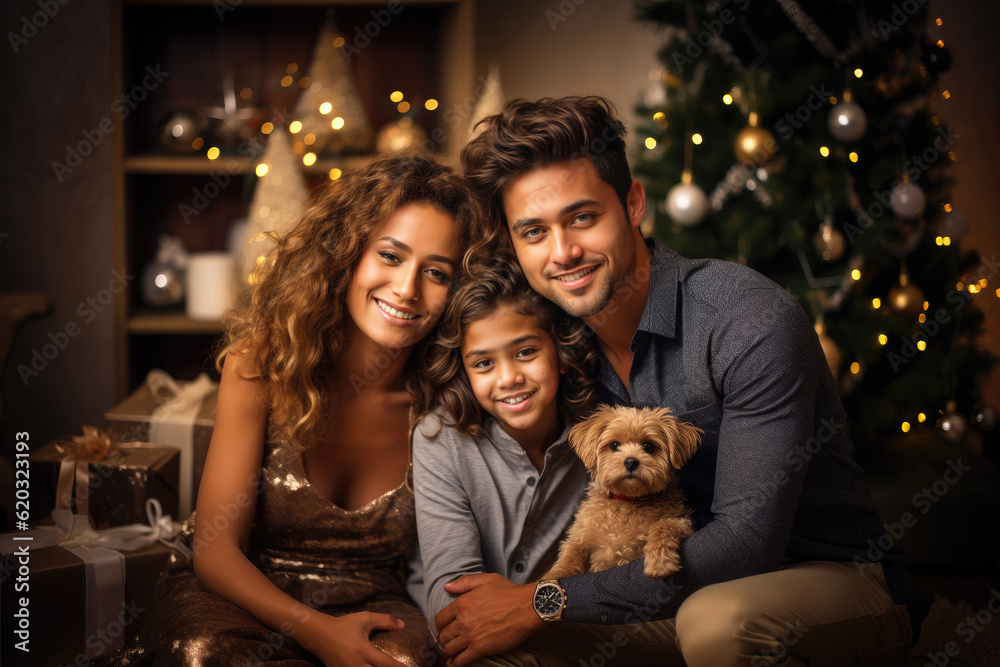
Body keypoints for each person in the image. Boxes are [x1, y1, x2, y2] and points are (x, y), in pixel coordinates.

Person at [429, 96, 933, 667]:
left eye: (582, 217)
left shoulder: (748, 318)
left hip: (822, 575)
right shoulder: (553, 338)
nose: (563, 251)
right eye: (533, 232)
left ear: (633, 203)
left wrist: (543, 600)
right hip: (659, 590)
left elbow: (746, 545)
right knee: (490, 651)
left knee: (716, 624)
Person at [96, 155, 485, 667]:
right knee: (203, 654)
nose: (407, 289)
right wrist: (319, 633)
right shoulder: (261, 364)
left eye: (437, 272)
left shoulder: (449, 399)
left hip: (372, 600)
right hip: (238, 588)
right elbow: (215, 552)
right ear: (347, 254)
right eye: (390, 256)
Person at [410, 252, 597, 622]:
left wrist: (532, 608)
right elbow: (451, 606)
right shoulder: (439, 438)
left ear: (560, 352)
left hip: (567, 631)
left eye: (526, 352)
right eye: (484, 363)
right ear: (464, 372)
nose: (508, 377)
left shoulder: (599, 432)